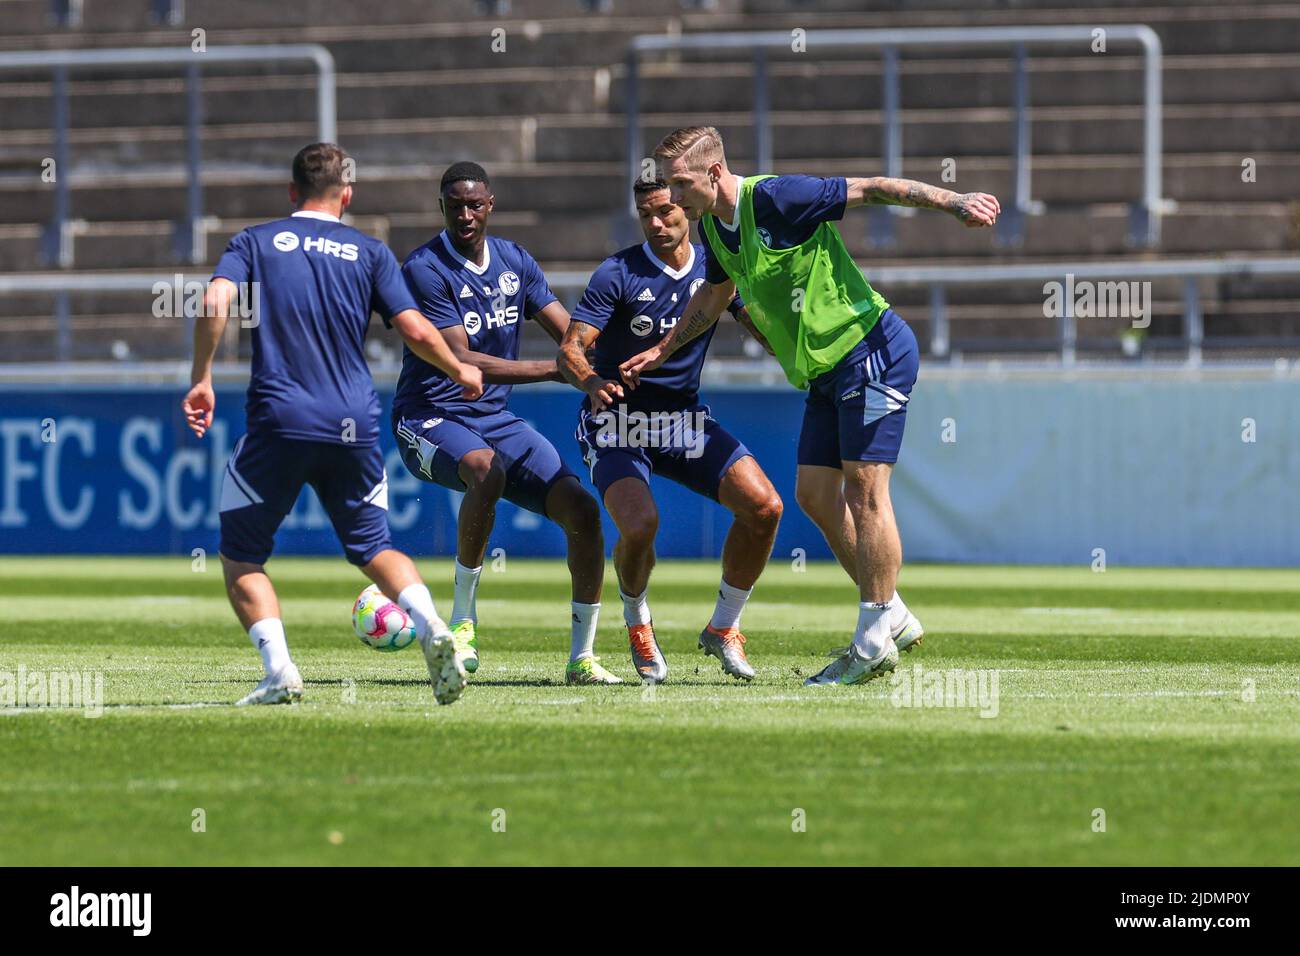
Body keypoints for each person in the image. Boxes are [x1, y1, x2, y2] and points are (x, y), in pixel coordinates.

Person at [621, 126, 1000, 686]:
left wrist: (954, 201)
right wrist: (662, 348)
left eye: (680, 183)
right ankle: (892, 614)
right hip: (826, 371)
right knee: (815, 495)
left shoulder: (777, 197)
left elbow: (870, 188)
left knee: (865, 491)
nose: (672, 199)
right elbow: (716, 295)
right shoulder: (715, 231)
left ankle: (872, 637)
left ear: (715, 173)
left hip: (870, 349)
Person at [182, 142, 483, 706]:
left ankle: (279, 671)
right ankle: (431, 624)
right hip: (353, 419)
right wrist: (459, 367)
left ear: (292, 191)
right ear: (347, 195)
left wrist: (201, 378)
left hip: (281, 419)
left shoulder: (255, 241)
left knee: (242, 557)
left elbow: (213, 302)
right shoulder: (369, 252)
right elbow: (416, 331)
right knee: (373, 547)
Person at [392, 162, 619, 686]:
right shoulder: (426, 268)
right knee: (484, 470)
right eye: (455, 204)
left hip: (492, 418)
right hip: (427, 416)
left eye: (475, 204)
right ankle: (463, 622)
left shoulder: (515, 261)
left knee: (583, 511)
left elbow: (570, 333)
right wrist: (558, 370)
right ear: (441, 207)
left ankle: (582, 657)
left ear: (490, 204)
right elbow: (461, 358)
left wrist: (614, 356)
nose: (465, 214)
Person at [558, 177, 783, 683]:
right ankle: (638, 623)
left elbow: (765, 331)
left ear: (688, 209)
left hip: (682, 420)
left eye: (665, 212)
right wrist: (592, 381)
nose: (656, 223)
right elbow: (570, 348)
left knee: (765, 508)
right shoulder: (617, 272)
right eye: (646, 215)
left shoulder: (716, 266)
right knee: (639, 526)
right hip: (617, 420)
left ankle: (724, 628)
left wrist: (795, 340)